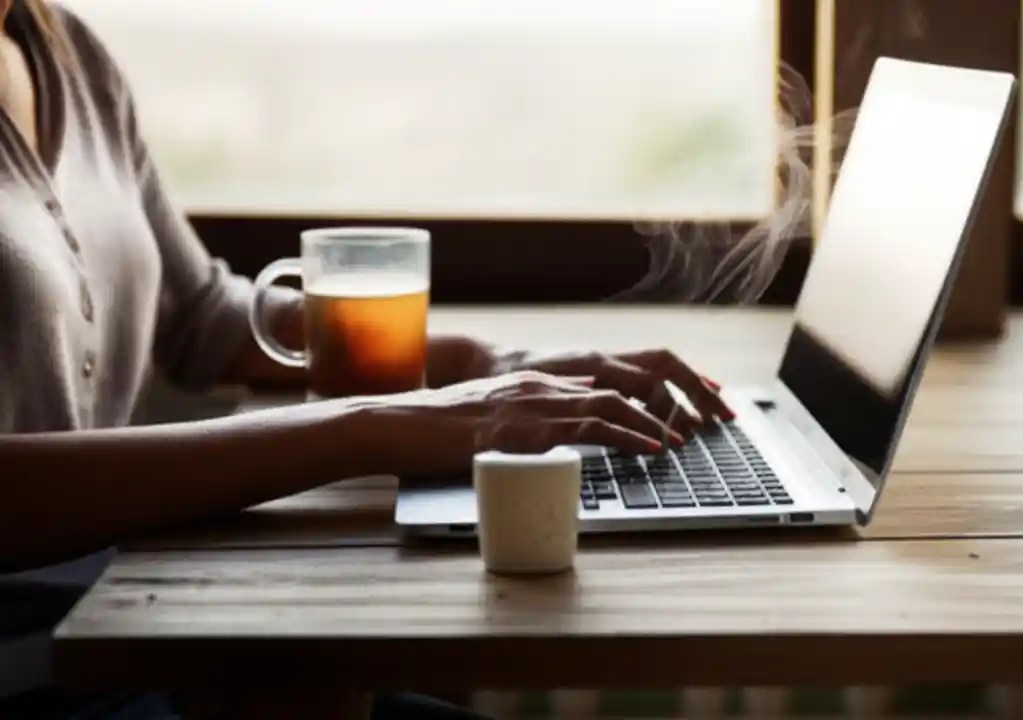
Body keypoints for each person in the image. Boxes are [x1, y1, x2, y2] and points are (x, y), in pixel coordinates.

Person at [0, 0, 732, 716]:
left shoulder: (65, 49)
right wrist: (376, 423)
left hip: (122, 627)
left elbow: (201, 316)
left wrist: (487, 361)